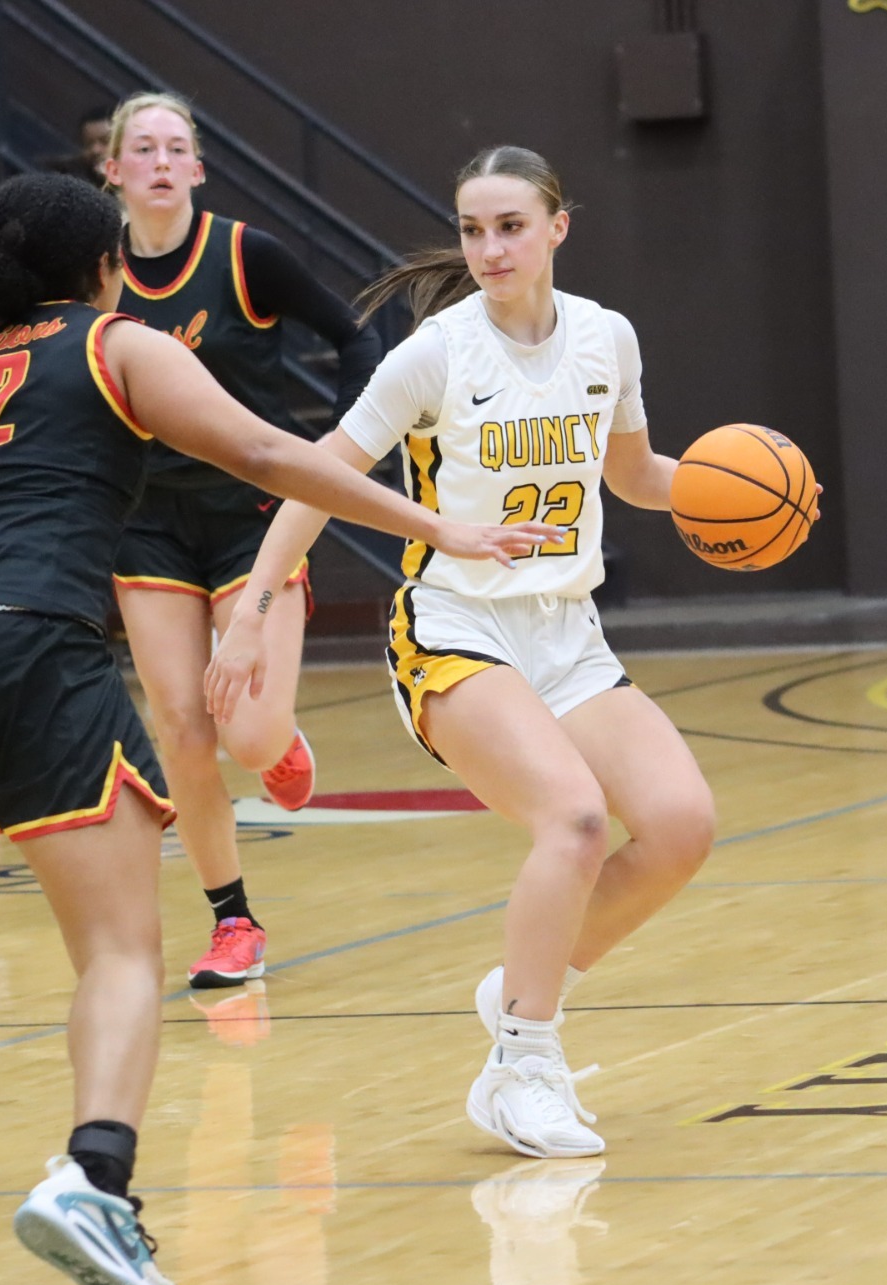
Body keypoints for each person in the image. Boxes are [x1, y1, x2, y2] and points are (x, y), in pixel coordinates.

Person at [0, 171, 553, 1285]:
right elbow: (272, 457)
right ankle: (97, 1181)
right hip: (29, 642)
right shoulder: (116, 344)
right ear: (102, 268)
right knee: (124, 951)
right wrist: (438, 527)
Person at [205, 146, 722, 1159]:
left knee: (681, 824)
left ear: (555, 228)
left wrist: (727, 486)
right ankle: (519, 1065)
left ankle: (524, 985)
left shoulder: (604, 338)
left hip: (566, 631)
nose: (487, 247)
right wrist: (250, 609)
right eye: (472, 228)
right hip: (455, 626)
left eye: (509, 226)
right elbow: (319, 478)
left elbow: (634, 474)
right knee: (571, 819)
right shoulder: (434, 353)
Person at [103, 91, 384, 991]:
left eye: (173, 146)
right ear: (111, 170)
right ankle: (234, 922)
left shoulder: (243, 255)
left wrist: (334, 450)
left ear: (196, 167)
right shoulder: (95, 276)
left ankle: (282, 744)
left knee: (250, 736)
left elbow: (354, 334)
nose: (157, 160)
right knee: (181, 727)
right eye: (139, 147)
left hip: (252, 517)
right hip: (145, 521)